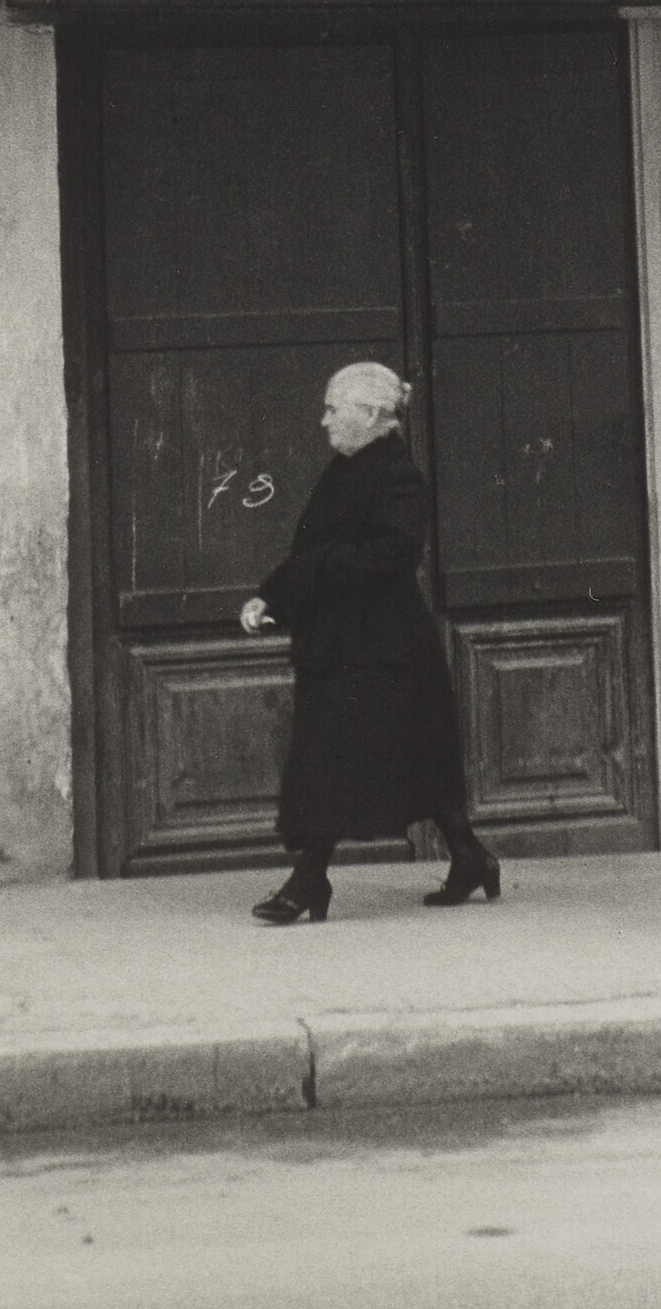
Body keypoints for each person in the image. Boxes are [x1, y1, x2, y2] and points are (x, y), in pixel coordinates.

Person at [239, 361, 498, 925]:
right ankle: (469, 855)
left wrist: (313, 575)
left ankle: (310, 880)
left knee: (341, 756)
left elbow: (393, 554)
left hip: (382, 645)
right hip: (347, 640)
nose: (324, 420)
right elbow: (317, 553)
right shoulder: (345, 469)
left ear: (373, 416)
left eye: (335, 409)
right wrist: (272, 597)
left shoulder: (396, 475)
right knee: (396, 758)